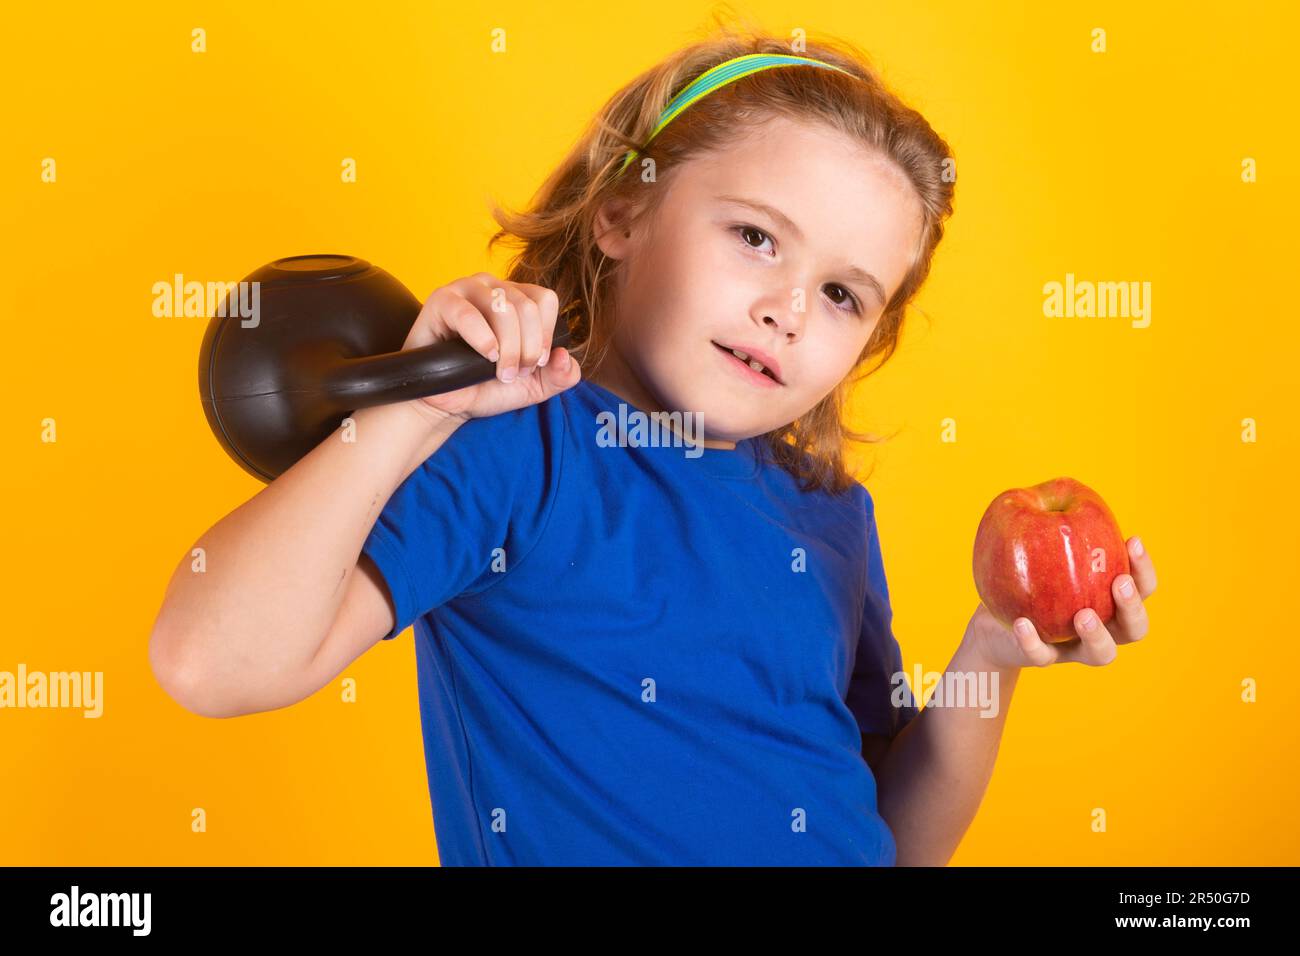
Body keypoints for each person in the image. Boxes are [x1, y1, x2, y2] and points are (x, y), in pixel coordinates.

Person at [149, 27, 1158, 866]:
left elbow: (897, 837)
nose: (788, 310)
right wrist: (410, 414)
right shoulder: (514, 451)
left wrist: (992, 650)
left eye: (844, 294)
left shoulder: (829, 512)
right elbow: (209, 662)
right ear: (622, 210)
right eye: (756, 237)